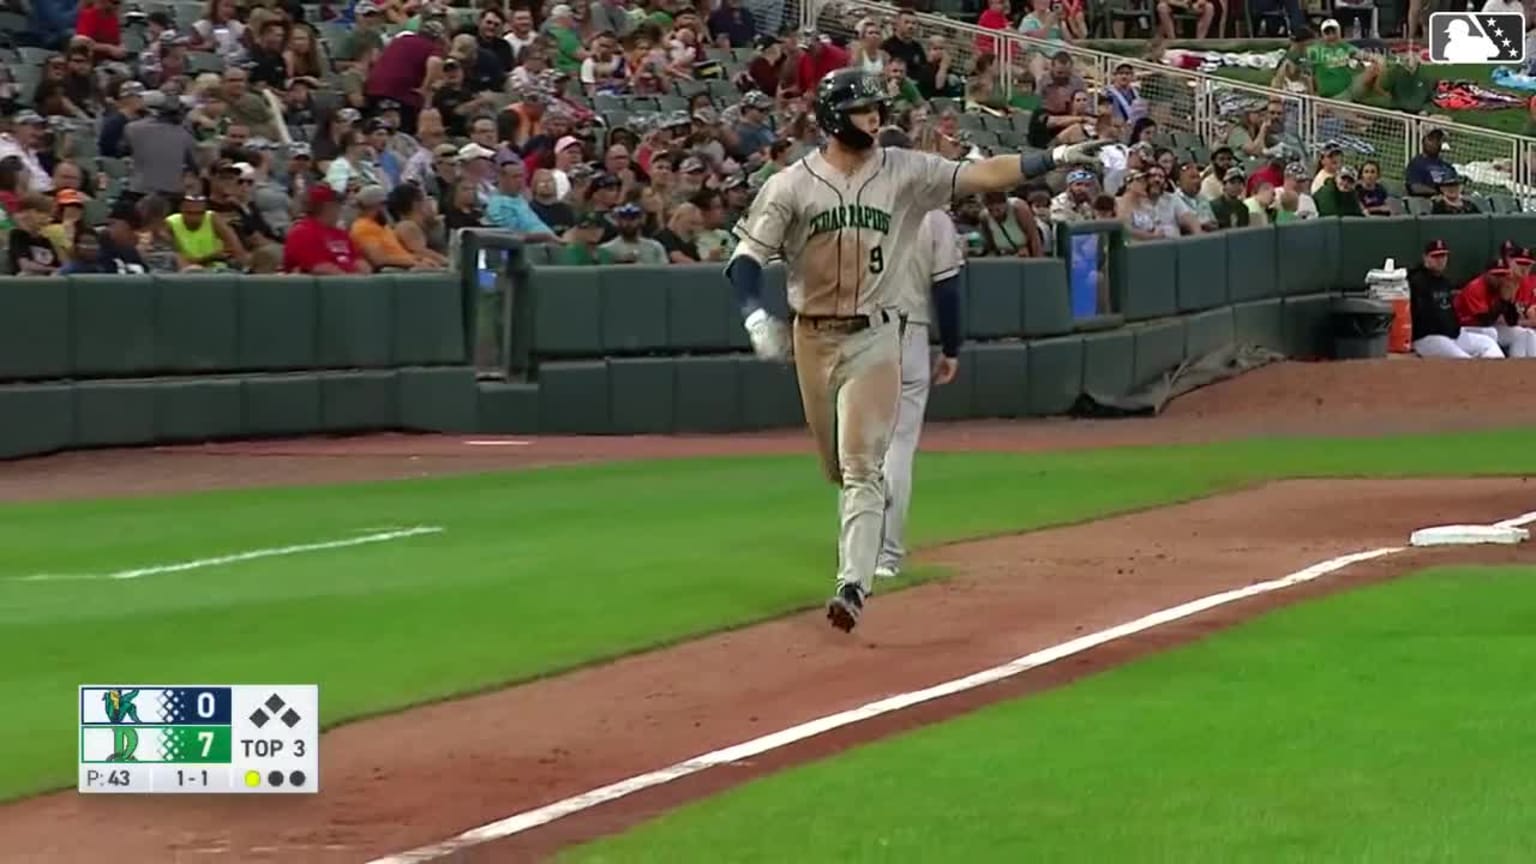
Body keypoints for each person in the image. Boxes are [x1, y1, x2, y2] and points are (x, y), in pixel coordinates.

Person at [725, 68, 1104, 633]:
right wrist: (756, 315)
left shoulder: (904, 171)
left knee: (862, 464)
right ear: (832, 117)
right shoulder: (790, 186)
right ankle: (858, 551)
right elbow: (745, 261)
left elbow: (980, 174)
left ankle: (853, 584)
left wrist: (1051, 158)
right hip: (811, 335)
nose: (875, 116)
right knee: (834, 463)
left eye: (877, 108)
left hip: (878, 333)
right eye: (862, 109)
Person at [871, 127, 964, 584]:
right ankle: (887, 553)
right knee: (899, 448)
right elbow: (947, 288)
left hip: (856, 335)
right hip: (909, 332)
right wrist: (952, 348)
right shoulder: (933, 214)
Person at [1410, 240, 1502, 358]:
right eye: (1435, 256)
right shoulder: (1416, 281)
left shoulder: (1444, 282)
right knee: (1463, 360)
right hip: (1429, 339)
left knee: (1488, 343)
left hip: (1453, 336)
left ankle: (1493, 374)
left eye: (1443, 256)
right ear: (1425, 258)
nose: (1440, 260)